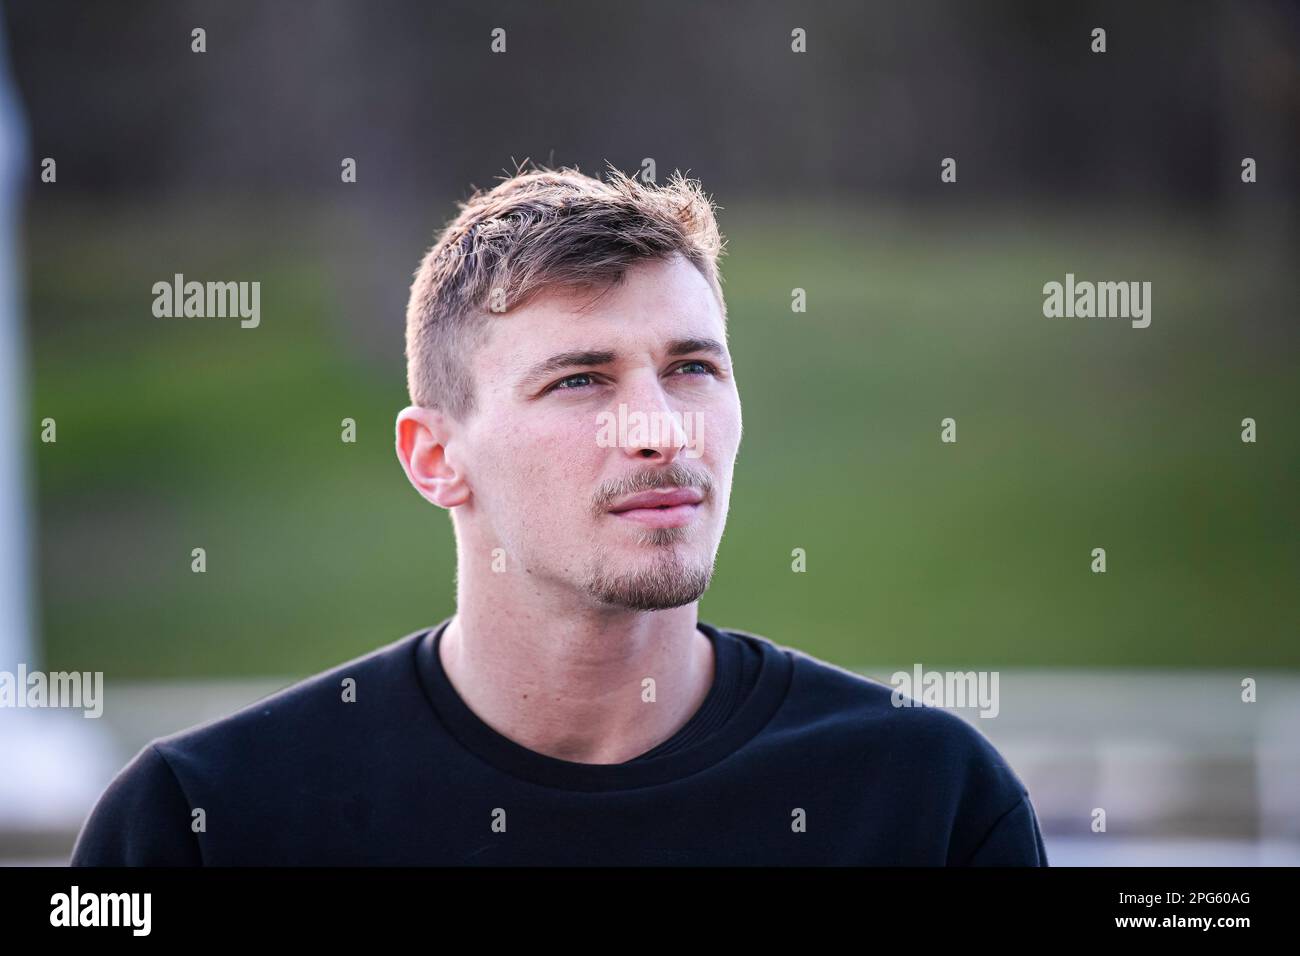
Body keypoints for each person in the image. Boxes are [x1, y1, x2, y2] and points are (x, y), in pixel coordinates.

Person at [71, 165, 1048, 865]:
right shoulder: (203, 821)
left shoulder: (924, 801)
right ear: (435, 457)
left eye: (692, 368)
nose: (661, 432)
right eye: (580, 379)